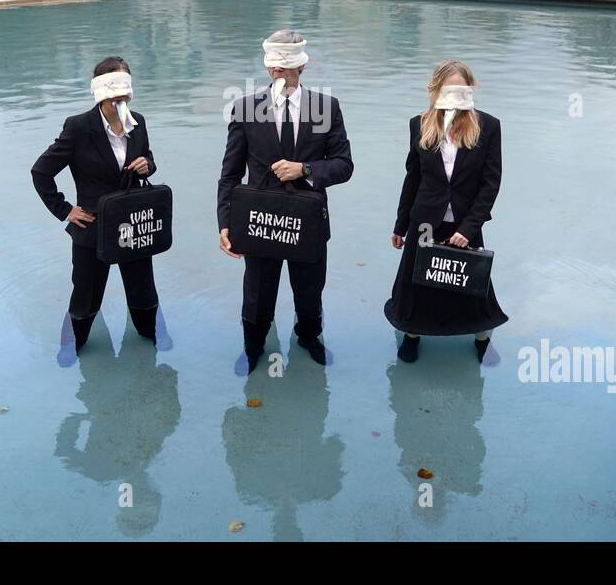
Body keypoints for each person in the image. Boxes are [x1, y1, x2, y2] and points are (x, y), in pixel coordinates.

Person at [217, 30, 354, 374]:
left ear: (302, 65)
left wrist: (305, 169)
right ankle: (253, 346)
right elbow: (230, 174)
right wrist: (225, 222)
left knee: (309, 289)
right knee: (258, 290)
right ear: (267, 67)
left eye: (287, 68)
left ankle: (309, 336)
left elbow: (344, 165)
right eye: (275, 68)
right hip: (259, 220)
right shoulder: (245, 108)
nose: (279, 73)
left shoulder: (326, 107)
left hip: (307, 219)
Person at [31, 56, 160, 353]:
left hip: (133, 223)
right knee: (86, 294)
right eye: (116, 89)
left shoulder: (138, 122)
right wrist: (65, 210)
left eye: (126, 87)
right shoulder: (78, 127)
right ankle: (75, 346)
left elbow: (149, 159)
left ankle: (149, 339)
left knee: (142, 289)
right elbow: (41, 172)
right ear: (101, 91)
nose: (122, 96)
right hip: (93, 226)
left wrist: (147, 166)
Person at [385, 59, 508, 363]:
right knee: (416, 281)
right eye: (448, 88)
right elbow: (412, 178)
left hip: (466, 220)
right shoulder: (419, 124)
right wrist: (400, 225)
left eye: (460, 88)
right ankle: (412, 335)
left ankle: (481, 337)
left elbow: (491, 184)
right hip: (425, 218)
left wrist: (468, 229)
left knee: (472, 282)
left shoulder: (489, 126)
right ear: (436, 89)